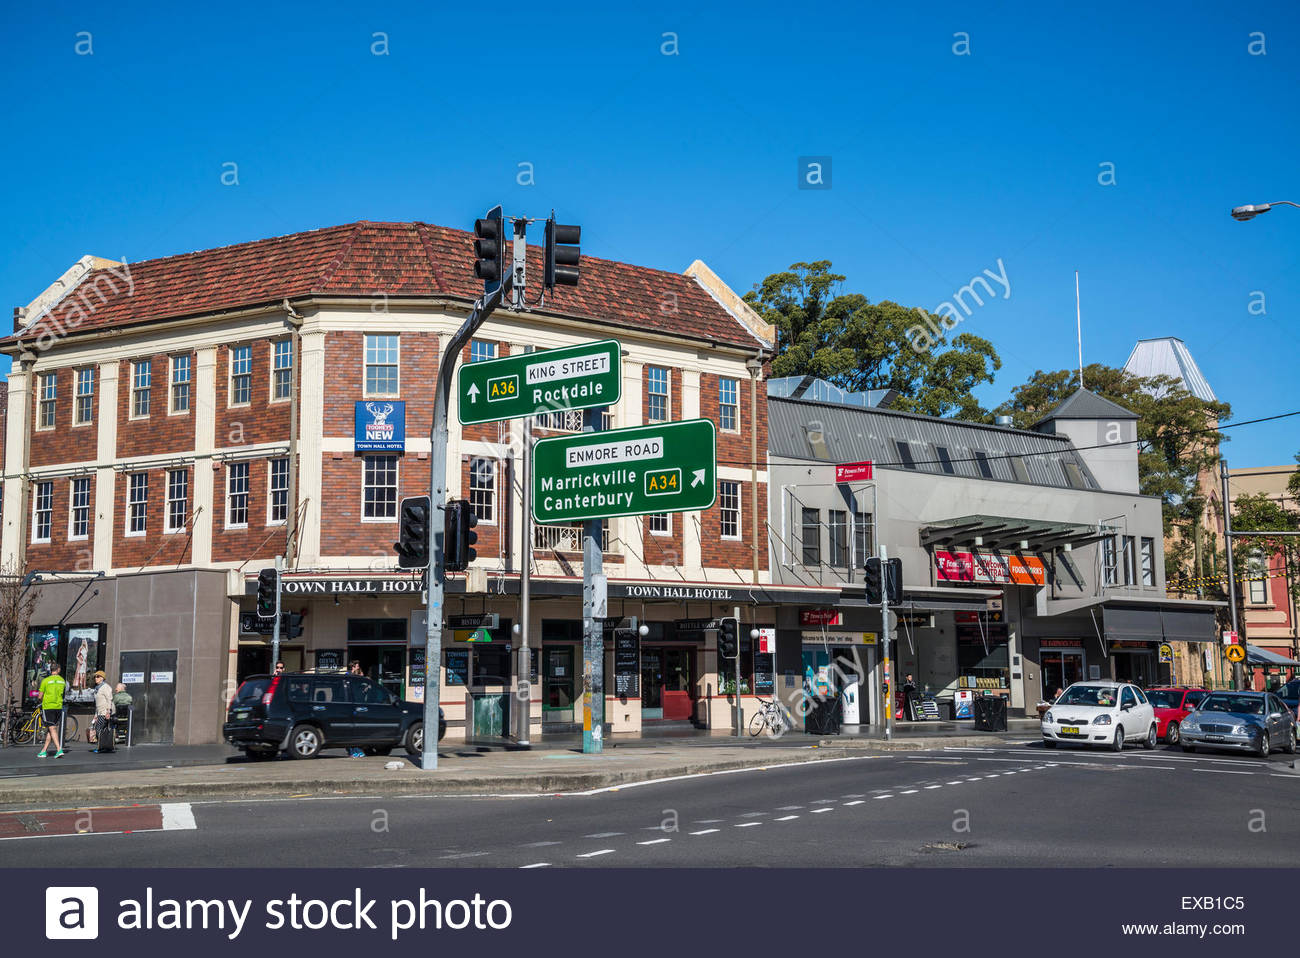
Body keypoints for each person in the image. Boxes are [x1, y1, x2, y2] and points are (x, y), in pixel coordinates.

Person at [37, 664, 67, 758]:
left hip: (48, 707)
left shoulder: (45, 681)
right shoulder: (62, 681)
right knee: (51, 729)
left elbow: (40, 696)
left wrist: (41, 701)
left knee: (52, 728)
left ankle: (59, 750)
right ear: (58, 670)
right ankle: (43, 751)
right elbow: (63, 694)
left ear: (51, 670)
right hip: (58, 707)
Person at [89, 671, 114, 752]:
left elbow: (109, 699)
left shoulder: (106, 687)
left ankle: (102, 747)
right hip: (100, 712)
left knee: (98, 729)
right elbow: (98, 703)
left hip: (104, 712)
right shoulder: (97, 688)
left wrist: (108, 712)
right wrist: (96, 714)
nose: (96, 678)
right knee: (102, 730)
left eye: (98, 676)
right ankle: (104, 747)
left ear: (102, 678)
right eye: (95, 677)